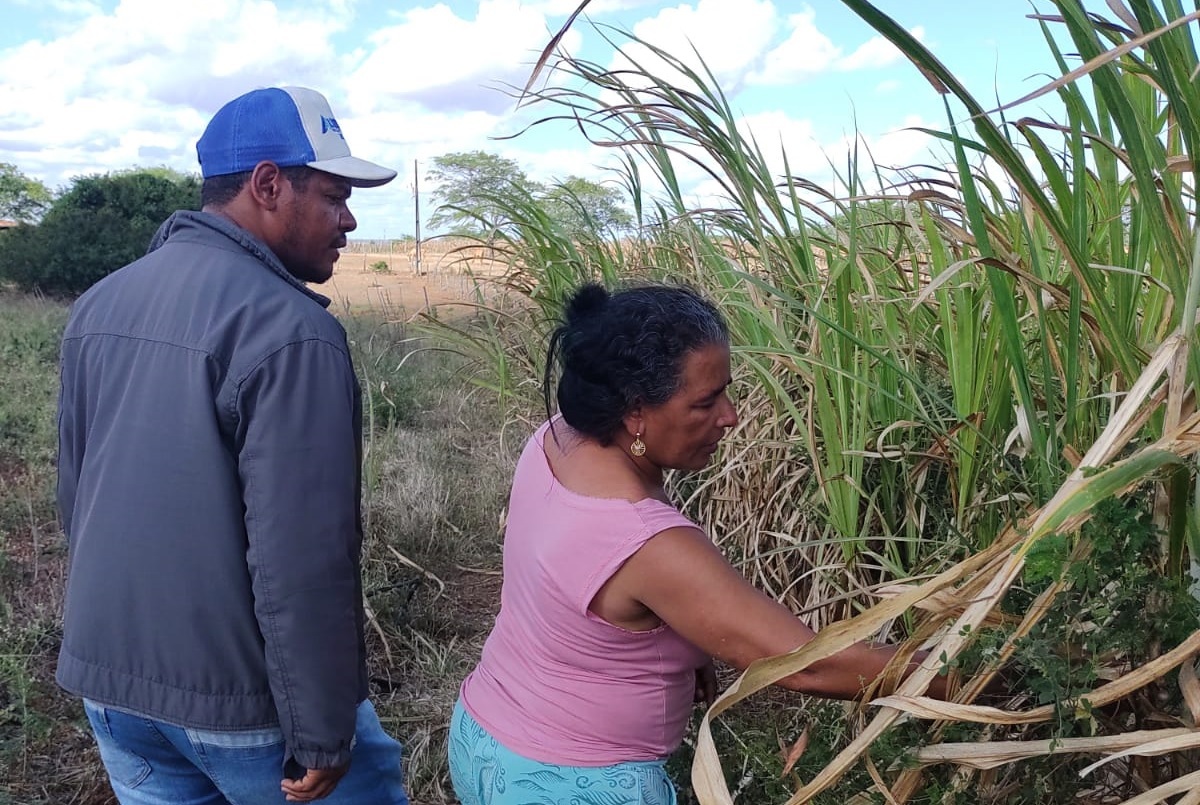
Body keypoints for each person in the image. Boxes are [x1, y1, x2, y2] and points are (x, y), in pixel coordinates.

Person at [448, 282, 950, 805]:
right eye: (706, 402)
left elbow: (583, 591)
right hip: (567, 785)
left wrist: (684, 648)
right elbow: (809, 665)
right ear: (636, 412)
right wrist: (974, 675)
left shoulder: (555, 439)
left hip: (483, 739)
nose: (730, 416)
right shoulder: (647, 543)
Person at [55, 86, 409, 804]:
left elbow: (74, 498)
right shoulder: (292, 329)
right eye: (336, 195)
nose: (350, 219)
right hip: (247, 711)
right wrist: (320, 730)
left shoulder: (99, 302)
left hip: (111, 691)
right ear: (269, 183)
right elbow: (303, 556)